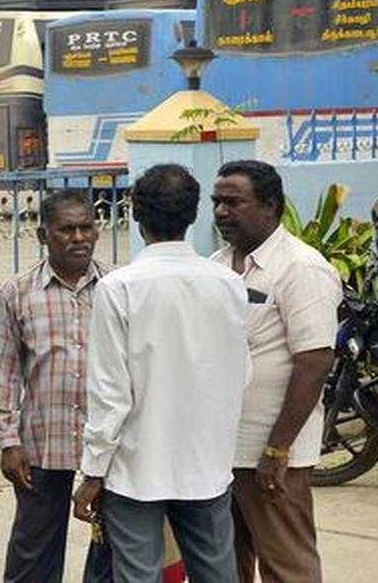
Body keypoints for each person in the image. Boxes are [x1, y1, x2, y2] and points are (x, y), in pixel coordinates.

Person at [73, 164, 251, 583]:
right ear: (193, 214)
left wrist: (93, 472)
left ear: (135, 215)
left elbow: (110, 394)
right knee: (217, 573)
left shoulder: (120, 287)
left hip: (137, 468)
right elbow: (241, 372)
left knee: (138, 575)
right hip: (206, 464)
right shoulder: (228, 283)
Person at [211, 160, 342, 583]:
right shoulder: (216, 266)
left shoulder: (301, 268)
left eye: (233, 202)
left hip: (271, 456)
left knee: (287, 566)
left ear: (270, 206)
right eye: (216, 202)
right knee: (222, 569)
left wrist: (277, 449)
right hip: (218, 454)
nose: (221, 212)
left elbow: (314, 361)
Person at [0, 190, 111, 581]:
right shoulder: (16, 293)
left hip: (109, 444)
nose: (79, 238)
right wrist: (8, 441)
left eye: (87, 228)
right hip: (42, 444)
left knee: (111, 549)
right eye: (67, 230)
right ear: (43, 235)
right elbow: (3, 373)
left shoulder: (119, 287)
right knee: (33, 553)